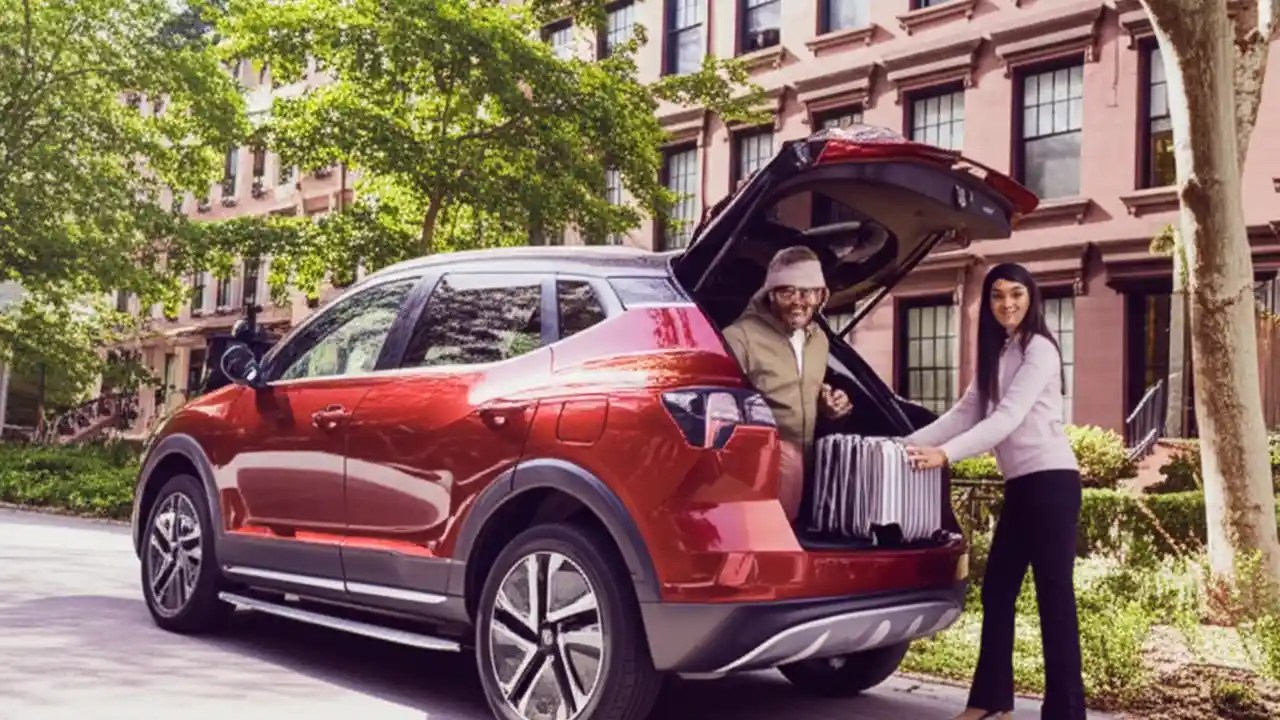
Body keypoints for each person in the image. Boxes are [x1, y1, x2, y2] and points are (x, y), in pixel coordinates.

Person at [902, 262, 1085, 720]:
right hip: (1023, 487)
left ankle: (1065, 712)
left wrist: (945, 456)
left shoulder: (1039, 348)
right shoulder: (997, 351)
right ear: (989, 303)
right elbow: (964, 414)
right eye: (999, 295)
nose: (1008, 304)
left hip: (1052, 484)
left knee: (1053, 597)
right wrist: (898, 445)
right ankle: (990, 702)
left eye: (1017, 294)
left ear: (1031, 297)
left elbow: (1006, 420)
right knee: (998, 590)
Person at [722, 245, 853, 522]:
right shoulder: (739, 338)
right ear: (769, 294)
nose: (798, 301)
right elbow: (721, 414)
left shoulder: (819, 340)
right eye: (787, 292)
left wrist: (830, 409)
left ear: (821, 295)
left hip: (810, 480)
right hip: (756, 484)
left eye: (808, 292)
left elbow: (805, 395)